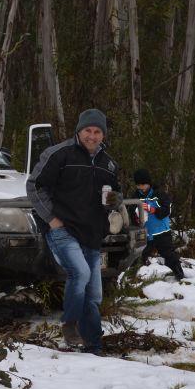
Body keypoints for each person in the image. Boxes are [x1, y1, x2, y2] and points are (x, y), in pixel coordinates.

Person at [27, 108, 122, 355]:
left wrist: (115, 200)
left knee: (94, 294)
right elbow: (35, 186)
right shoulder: (59, 154)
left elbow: (114, 197)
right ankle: (69, 325)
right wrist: (52, 219)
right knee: (79, 273)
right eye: (88, 130)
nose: (92, 136)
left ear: (103, 134)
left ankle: (93, 345)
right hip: (63, 228)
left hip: (91, 233)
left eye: (97, 131)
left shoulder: (108, 164)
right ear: (79, 131)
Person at [132, 168, 185, 280]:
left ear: (149, 183)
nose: (141, 187)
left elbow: (168, 210)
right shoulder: (135, 196)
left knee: (169, 255)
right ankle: (132, 279)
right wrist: (136, 218)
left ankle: (180, 275)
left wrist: (153, 210)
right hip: (144, 233)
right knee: (137, 256)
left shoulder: (159, 194)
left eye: (143, 184)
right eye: (138, 185)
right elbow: (130, 212)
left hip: (161, 232)